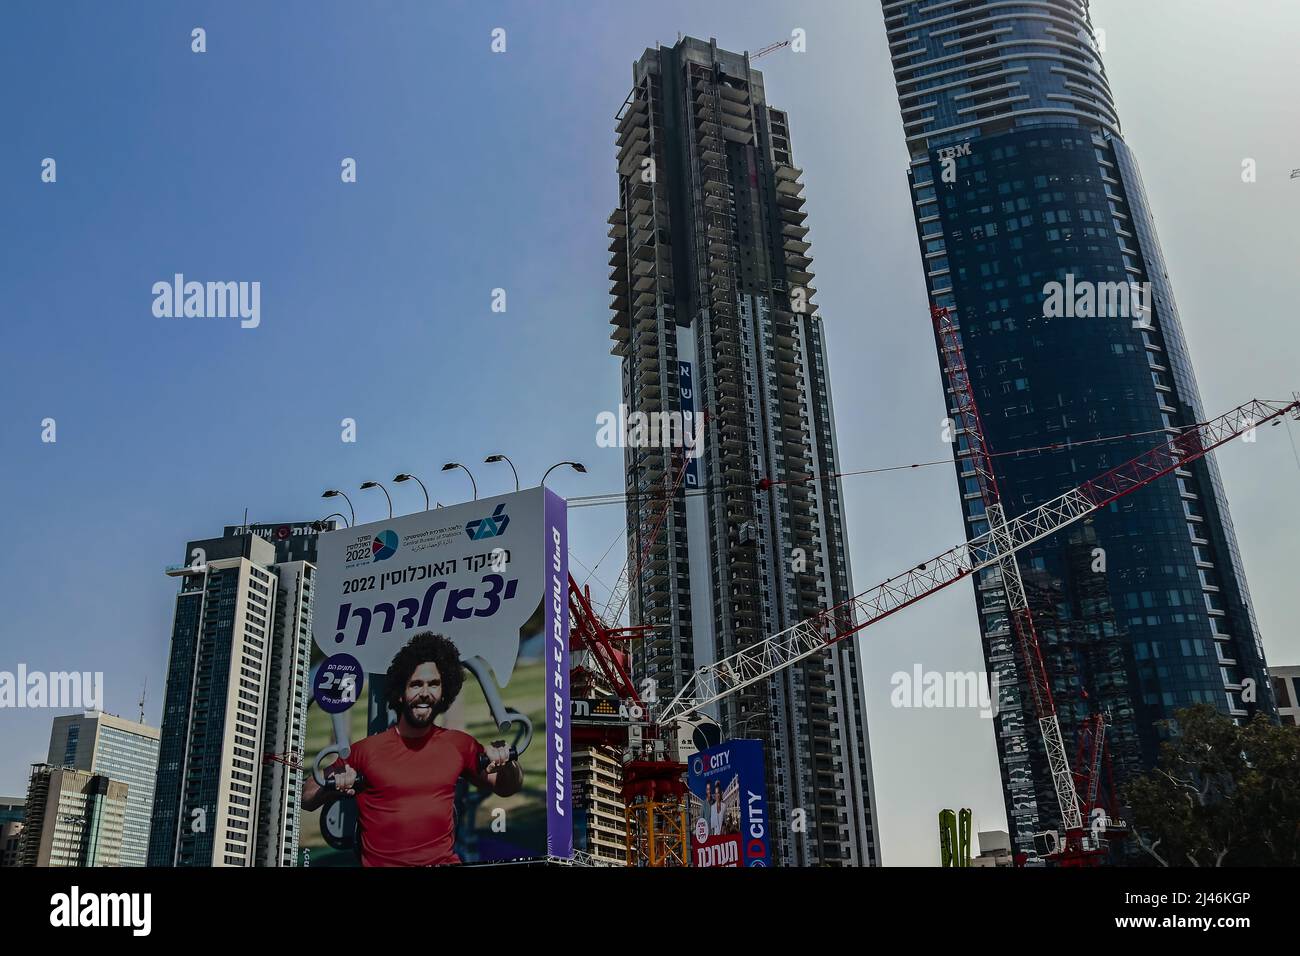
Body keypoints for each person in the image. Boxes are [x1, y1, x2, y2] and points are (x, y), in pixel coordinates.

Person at [301, 631, 522, 866]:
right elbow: (307, 797)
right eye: (416, 684)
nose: (425, 693)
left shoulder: (458, 744)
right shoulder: (367, 751)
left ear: (443, 690)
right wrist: (334, 785)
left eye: (434, 684)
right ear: (399, 693)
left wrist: (507, 763)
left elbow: (508, 787)